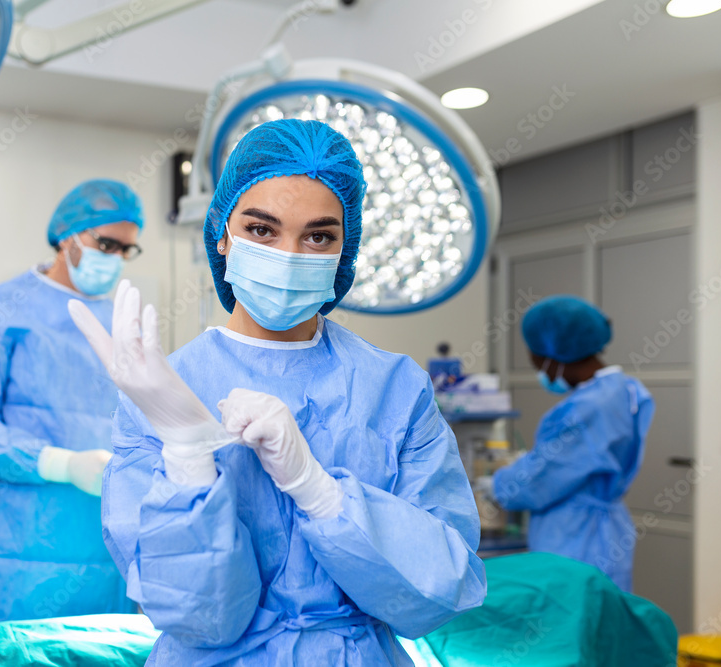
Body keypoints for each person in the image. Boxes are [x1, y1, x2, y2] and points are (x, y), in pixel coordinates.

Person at [68, 120, 486, 665]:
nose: (290, 255)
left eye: (318, 236)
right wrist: (189, 456)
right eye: (262, 230)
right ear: (221, 234)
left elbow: (441, 589)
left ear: (344, 250)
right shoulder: (165, 392)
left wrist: (319, 491)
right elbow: (200, 619)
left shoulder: (396, 389)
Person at [0, 179, 144, 625]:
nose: (114, 259)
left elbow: (146, 424)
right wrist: (61, 464)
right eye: (106, 243)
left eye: (126, 250)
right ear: (67, 236)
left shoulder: (123, 324)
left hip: (106, 552)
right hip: (21, 559)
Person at [491, 294, 654, 593]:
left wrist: (497, 483)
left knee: (570, 622)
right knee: (603, 623)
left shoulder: (583, 411)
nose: (537, 367)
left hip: (574, 536)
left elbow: (539, 480)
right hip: (608, 530)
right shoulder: (624, 390)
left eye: (536, 359)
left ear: (553, 357)